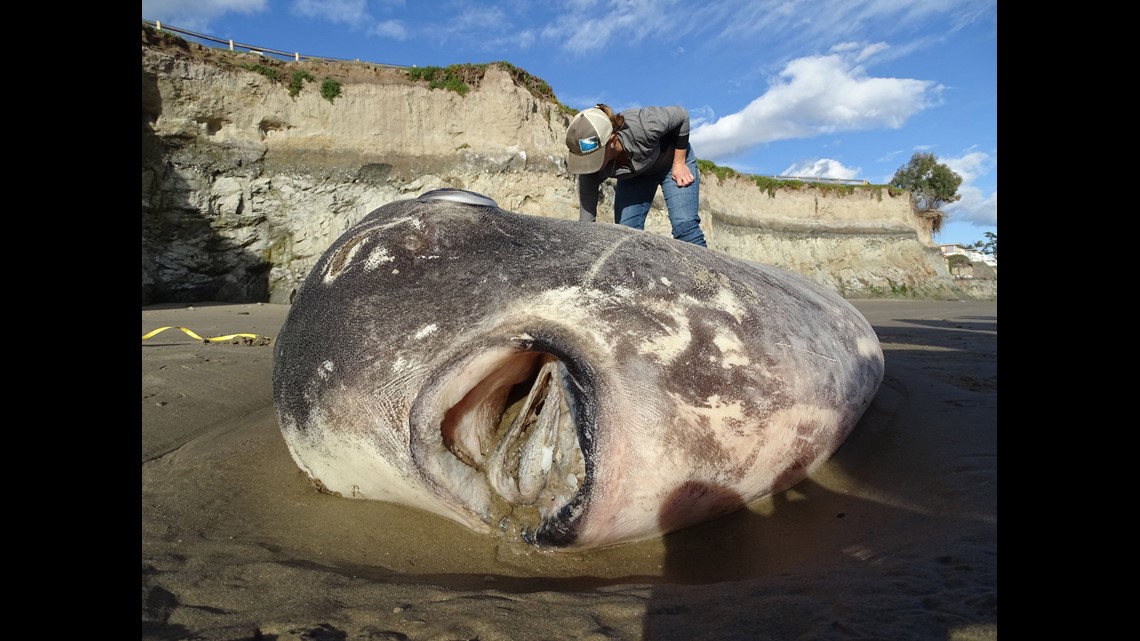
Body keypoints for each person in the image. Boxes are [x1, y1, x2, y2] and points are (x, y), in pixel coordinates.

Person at [565, 104, 707, 247]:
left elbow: (681, 115)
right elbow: (586, 223)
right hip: (635, 176)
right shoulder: (590, 172)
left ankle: (707, 270)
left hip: (671, 162)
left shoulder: (643, 125)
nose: (588, 165)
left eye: (593, 158)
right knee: (625, 235)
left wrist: (679, 162)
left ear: (612, 141)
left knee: (685, 226)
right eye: (584, 160)